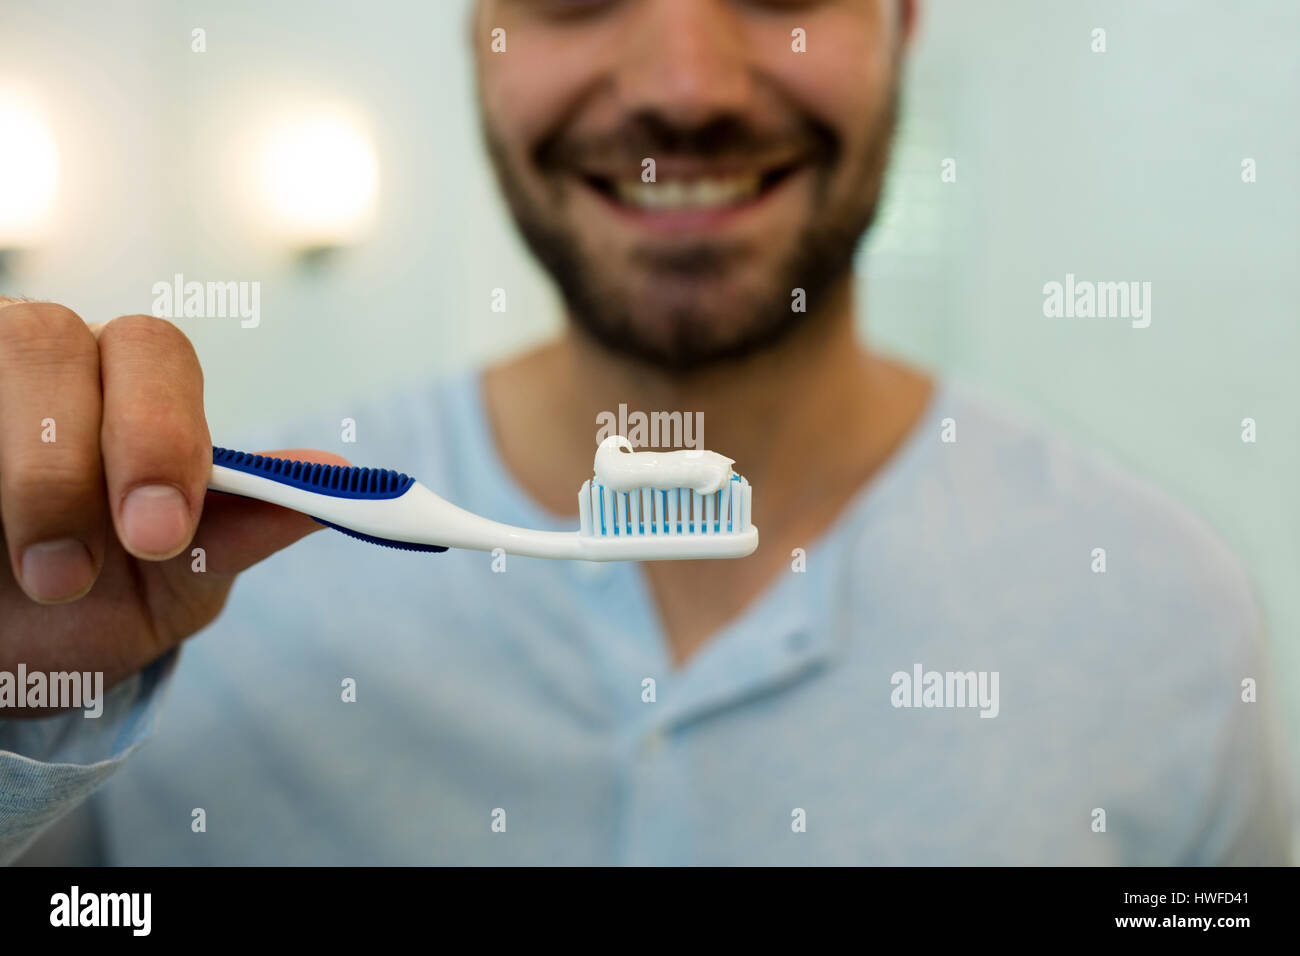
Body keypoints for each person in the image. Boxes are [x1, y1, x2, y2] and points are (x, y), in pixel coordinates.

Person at [0, 0, 1290, 865]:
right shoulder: (171, 578)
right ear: (478, 29)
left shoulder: (1165, 619)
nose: (685, 86)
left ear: (903, 19)